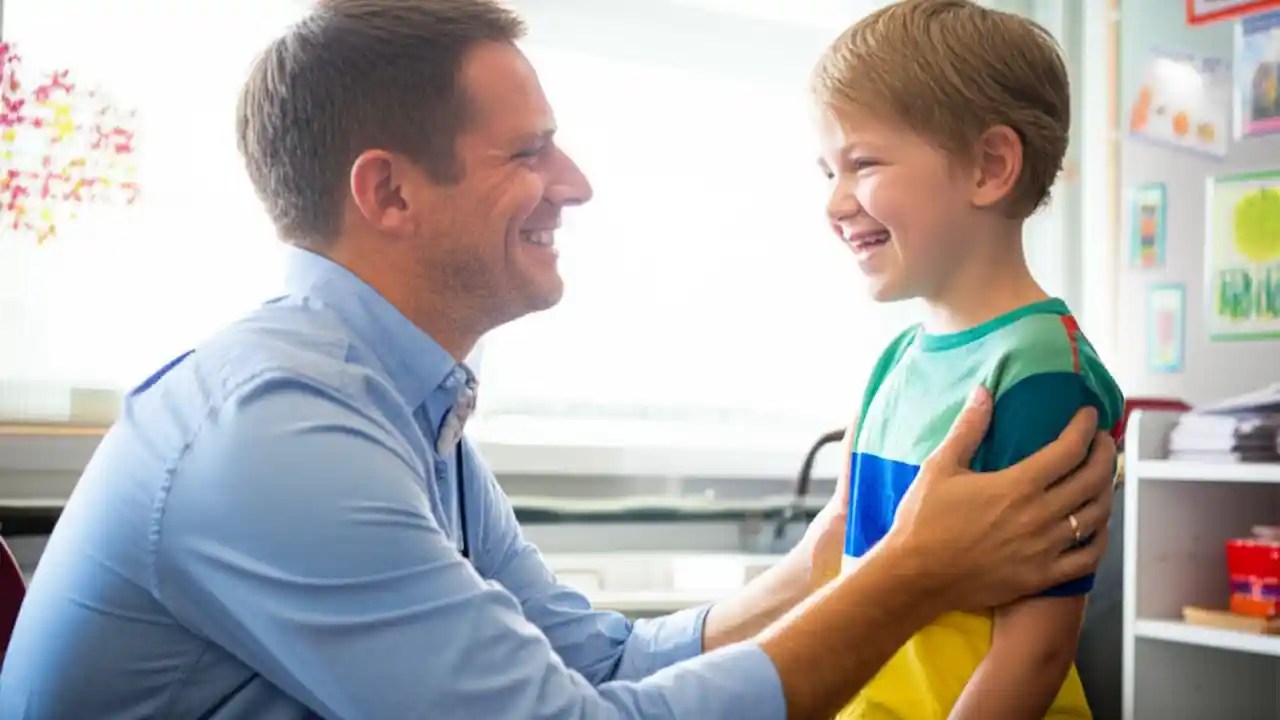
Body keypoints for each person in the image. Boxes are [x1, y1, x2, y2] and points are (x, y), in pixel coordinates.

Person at [0, 2, 1118, 718]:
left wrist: (823, 563)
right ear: (387, 192)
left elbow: (594, 658)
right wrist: (906, 573)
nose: (576, 182)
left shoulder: (400, 409)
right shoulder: (275, 433)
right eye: (528, 152)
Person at [811, 2, 1125, 719]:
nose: (834, 202)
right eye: (827, 170)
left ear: (989, 166)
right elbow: (837, 565)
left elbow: (1036, 649)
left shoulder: (1040, 370)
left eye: (861, 163)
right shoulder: (898, 359)